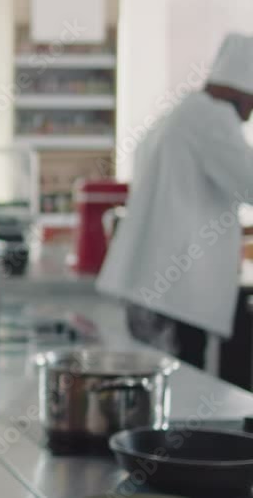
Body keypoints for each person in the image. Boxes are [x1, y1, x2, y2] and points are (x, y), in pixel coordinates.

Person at [97, 33, 253, 377]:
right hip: (176, 291)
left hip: (157, 286)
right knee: (179, 384)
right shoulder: (212, 117)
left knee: (157, 381)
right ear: (240, 91)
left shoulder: (184, 111)